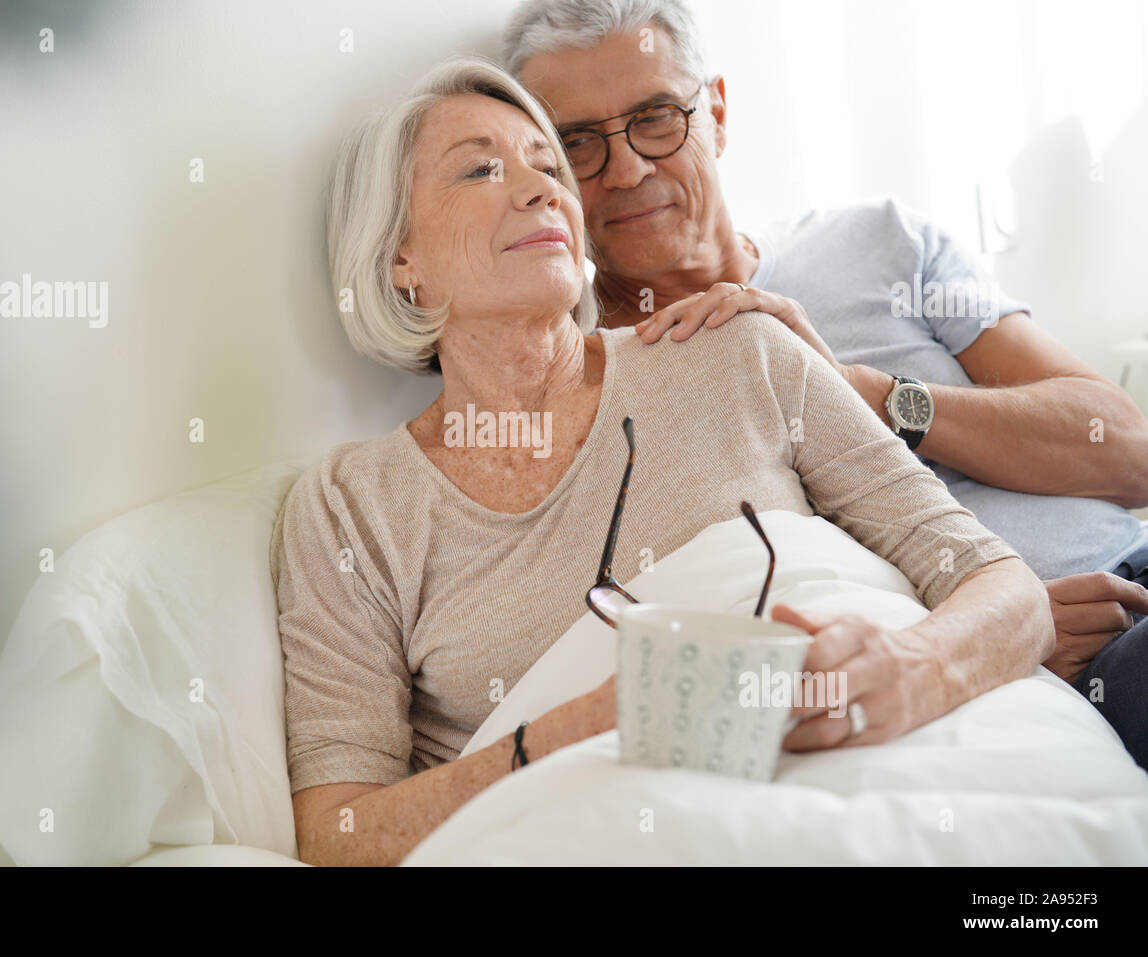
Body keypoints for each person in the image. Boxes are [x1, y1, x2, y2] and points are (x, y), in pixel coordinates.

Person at [274, 56, 1053, 866]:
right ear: (400, 257)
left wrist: (916, 667)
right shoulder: (349, 506)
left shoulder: (736, 351)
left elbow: (1005, 588)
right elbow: (338, 836)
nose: (543, 189)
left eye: (548, 165)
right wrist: (604, 721)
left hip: (880, 776)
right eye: (480, 169)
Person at [502, 0, 1148, 767]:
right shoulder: (595, 388)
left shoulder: (881, 239)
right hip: (1047, 674)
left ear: (715, 110)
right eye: (579, 144)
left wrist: (857, 393)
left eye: (655, 118)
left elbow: (1127, 449)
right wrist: (1007, 628)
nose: (628, 169)